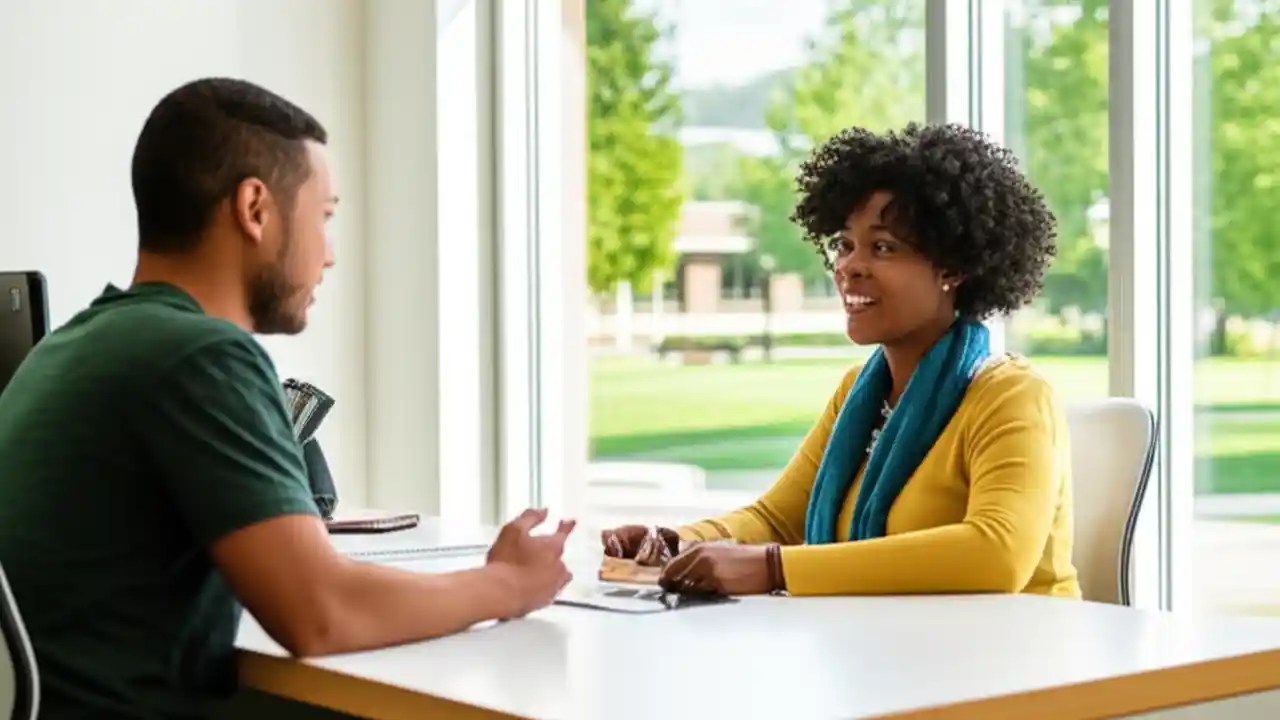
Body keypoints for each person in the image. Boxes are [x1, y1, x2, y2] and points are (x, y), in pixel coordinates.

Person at [0, 77, 575, 719]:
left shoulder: (71, 345)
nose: (328, 255)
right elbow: (321, 613)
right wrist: (507, 584)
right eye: (323, 216)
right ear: (255, 208)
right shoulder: (202, 355)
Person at [602, 123, 1080, 600]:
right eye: (845, 244)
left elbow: (997, 555)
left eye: (883, 247)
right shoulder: (860, 392)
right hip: (896, 655)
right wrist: (674, 543)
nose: (850, 265)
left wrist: (776, 569)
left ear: (952, 268)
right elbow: (777, 520)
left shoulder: (1010, 394)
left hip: (1019, 659)